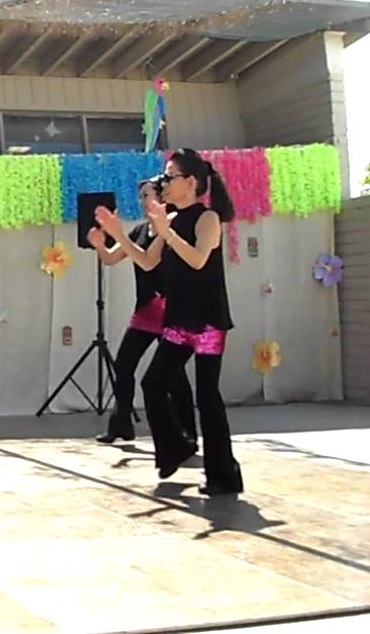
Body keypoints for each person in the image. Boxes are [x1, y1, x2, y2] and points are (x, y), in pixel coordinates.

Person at [96, 148, 243, 496]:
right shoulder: (170, 219)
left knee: (207, 394)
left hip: (207, 320)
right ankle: (176, 446)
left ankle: (224, 474)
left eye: (169, 176)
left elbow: (198, 259)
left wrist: (167, 231)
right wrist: (118, 233)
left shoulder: (208, 218)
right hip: (178, 319)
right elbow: (148, 261)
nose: (163, 182)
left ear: (190, 182)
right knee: (153, 383)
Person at [87, 179, 196, 446]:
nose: (142, 200)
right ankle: (121, 423)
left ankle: (187, 431)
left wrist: (119, 235)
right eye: (141, 195)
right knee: (123, 365)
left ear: (162, 196)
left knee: (174, 375)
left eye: (147, 194)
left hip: (170, 311)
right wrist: (100, 244)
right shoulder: (139, 230)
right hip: (146, 311)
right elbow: (111, 258)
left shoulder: (169, 228)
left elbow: (149, 262)